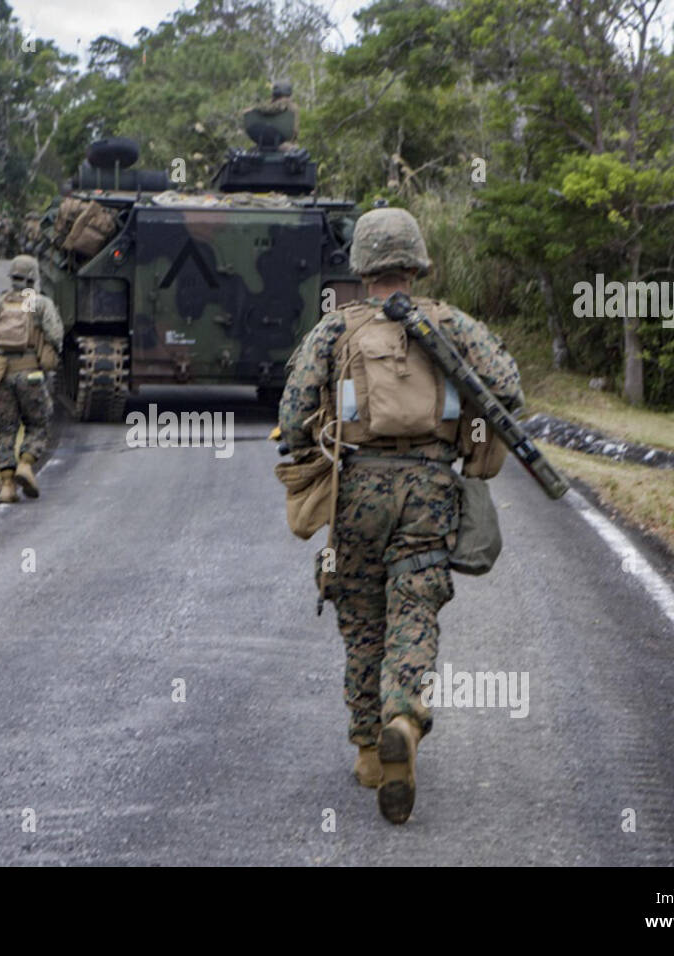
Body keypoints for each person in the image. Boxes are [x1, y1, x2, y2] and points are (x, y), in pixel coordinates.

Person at [278, 207, 523, 824]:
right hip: (431, 490)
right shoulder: (450, 325)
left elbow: (291, 418)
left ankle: (366, 748)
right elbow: (507, 389)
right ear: (414, 265)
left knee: (360, 613)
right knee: (414, 609)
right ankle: (403, 718)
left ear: (361, 268)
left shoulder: (334, 331)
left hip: (354, 489)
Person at [0, 255, 62, 503]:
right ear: (34, 277)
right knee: (38, 423)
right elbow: (55, 336)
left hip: (1, 375)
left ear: (12, 277)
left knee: (5, 430)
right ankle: (26, 464)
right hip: (31, 374)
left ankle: (7, 486)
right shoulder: (39, 304)